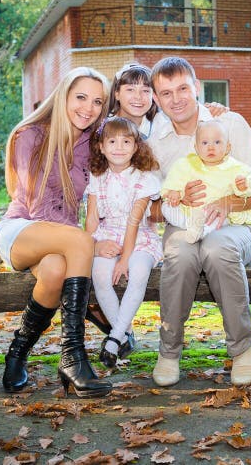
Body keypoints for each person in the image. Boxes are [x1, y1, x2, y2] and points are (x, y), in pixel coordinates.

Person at [147, 56, 251, 387]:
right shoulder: (156, 145)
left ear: (196, 87)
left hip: (236, 225)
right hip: (185, 224)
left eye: (183, 88)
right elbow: (150, 208)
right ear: (156, 100)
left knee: (216, 248)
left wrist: (230, 201)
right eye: (167, 93)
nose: (177, 99)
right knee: (181, 254)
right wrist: (178, 199)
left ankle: (242, 351)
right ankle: (169, 353)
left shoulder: (229, 123)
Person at [0, 66, 112, 398]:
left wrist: (204, 112)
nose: (88, 108)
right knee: (79, 240)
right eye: (81, 97)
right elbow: (38, 206)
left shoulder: (93, 141)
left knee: (57, 270)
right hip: (22, 230)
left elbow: (130, 135)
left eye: (97, 102)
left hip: (61, 244)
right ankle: (73, 356)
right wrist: (79, 242)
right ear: (63, 96)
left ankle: (17, 354)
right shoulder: (31, 135)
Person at [85, 117, 162, 368]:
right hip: (108, 234)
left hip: (139, 236)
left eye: (126, 141)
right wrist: (90, 246)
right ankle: (125, 334)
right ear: (101, 147)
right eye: (112, 141)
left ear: (136, 146)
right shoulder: (98, 176)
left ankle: (114, 338)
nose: (119, 147)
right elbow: (92, 218)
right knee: (100, 274)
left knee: (138, 273)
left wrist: (125, 260)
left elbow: (133, 221)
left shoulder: (144, 178)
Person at [161, 120, 251, 243]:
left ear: (228, 147)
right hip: (190, 212)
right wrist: (175, 192)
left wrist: (243, 186)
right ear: (196, 148)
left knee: (220, 220)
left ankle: (202, 231)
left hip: (216, 213)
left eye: (217, 142)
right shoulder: (186, 164)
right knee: (166, 207)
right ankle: (192, 227)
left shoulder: (235, 168)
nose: (211, 147)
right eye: (204, 143)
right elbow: (175, 179)